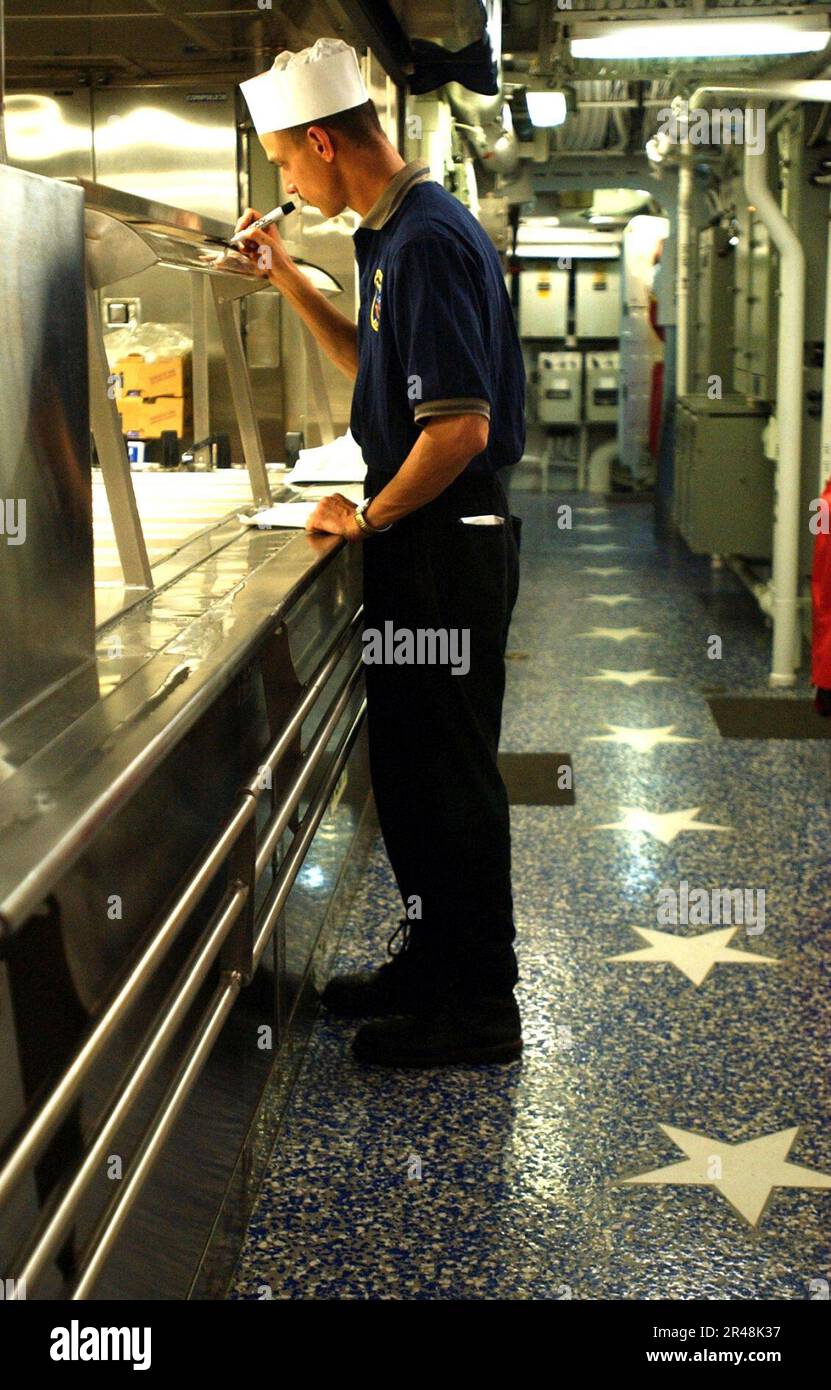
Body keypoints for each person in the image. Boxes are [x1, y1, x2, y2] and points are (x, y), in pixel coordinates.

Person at [237, 38, 526, 1066]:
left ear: (320, 140)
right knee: (409, 771)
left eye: (284, 162)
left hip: (447, 540)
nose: (286, 183)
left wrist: (369, 518)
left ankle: (481, 1006)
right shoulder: (390, 238)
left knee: (450, 776)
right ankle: (433, 962)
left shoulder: (429, 239)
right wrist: (287, 282)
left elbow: (459, 429)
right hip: (423, 538)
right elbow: (381, 369)